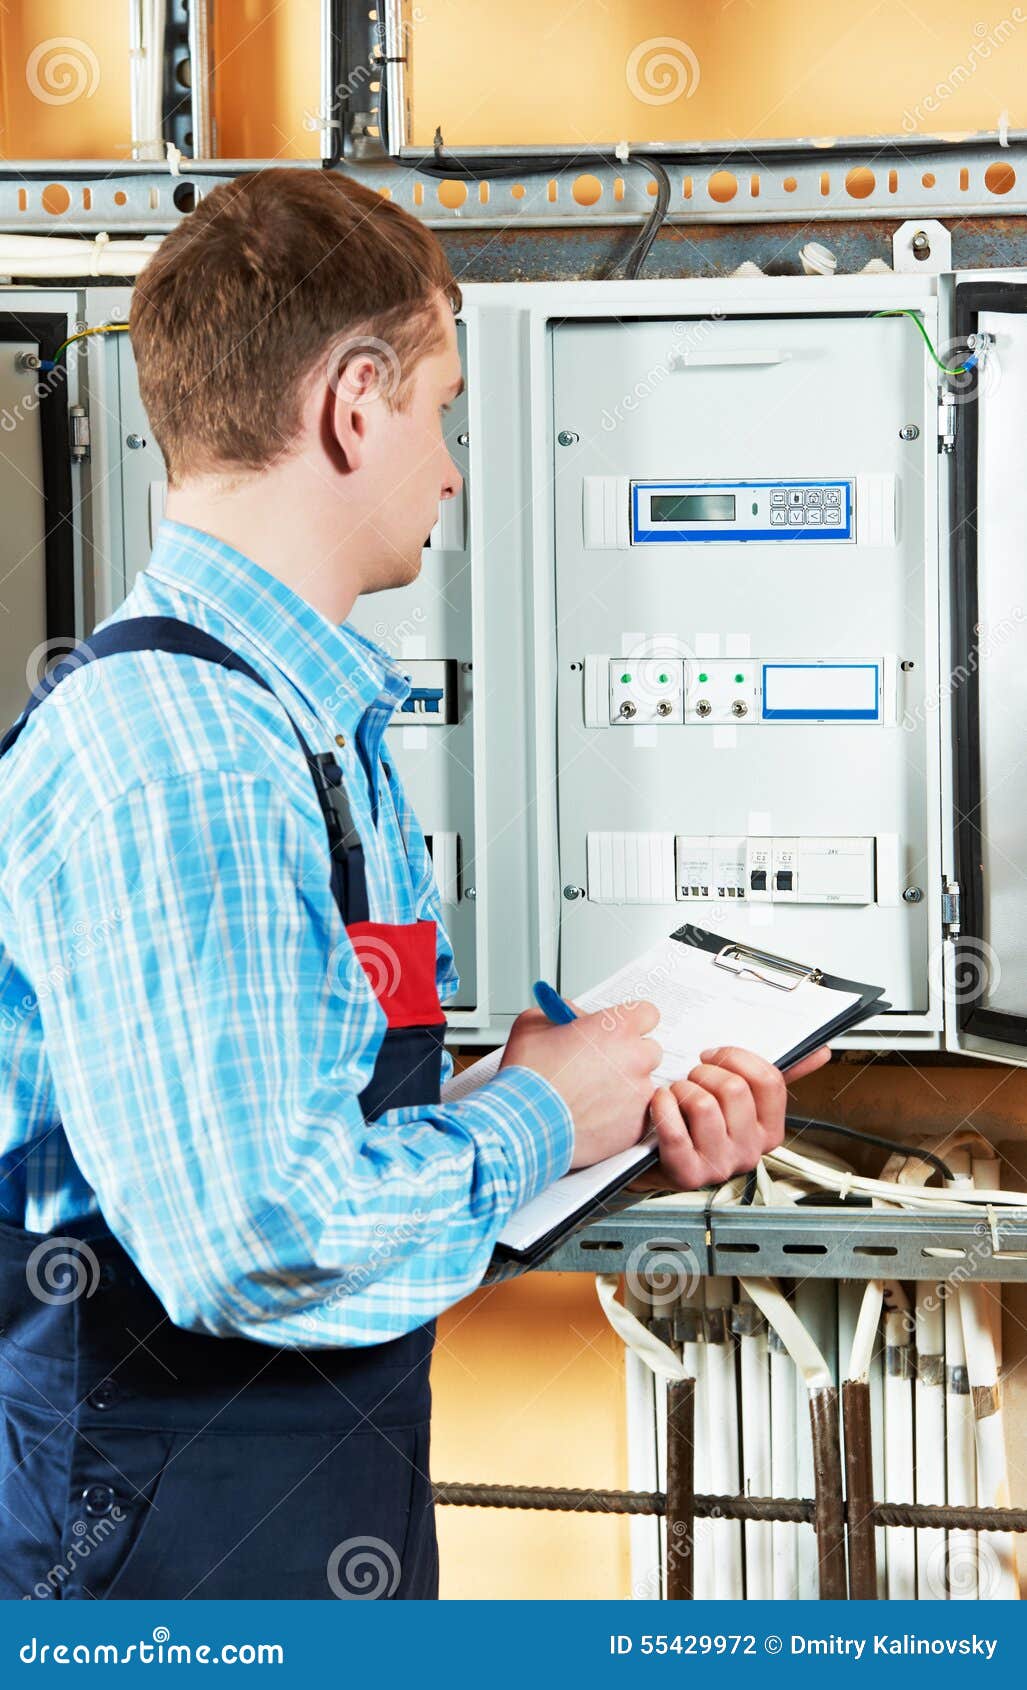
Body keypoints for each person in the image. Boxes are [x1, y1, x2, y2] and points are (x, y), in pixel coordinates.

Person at [0, 169, 828, 1601]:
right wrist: (536, 1116)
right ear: (354, 402)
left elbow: (296, 1134)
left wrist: (595, 1114)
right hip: (157, 1549)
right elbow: (259, 1239)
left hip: (301, 1505)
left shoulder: (299, 726)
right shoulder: (187, 757)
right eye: (440, 411)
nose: (449, 472)